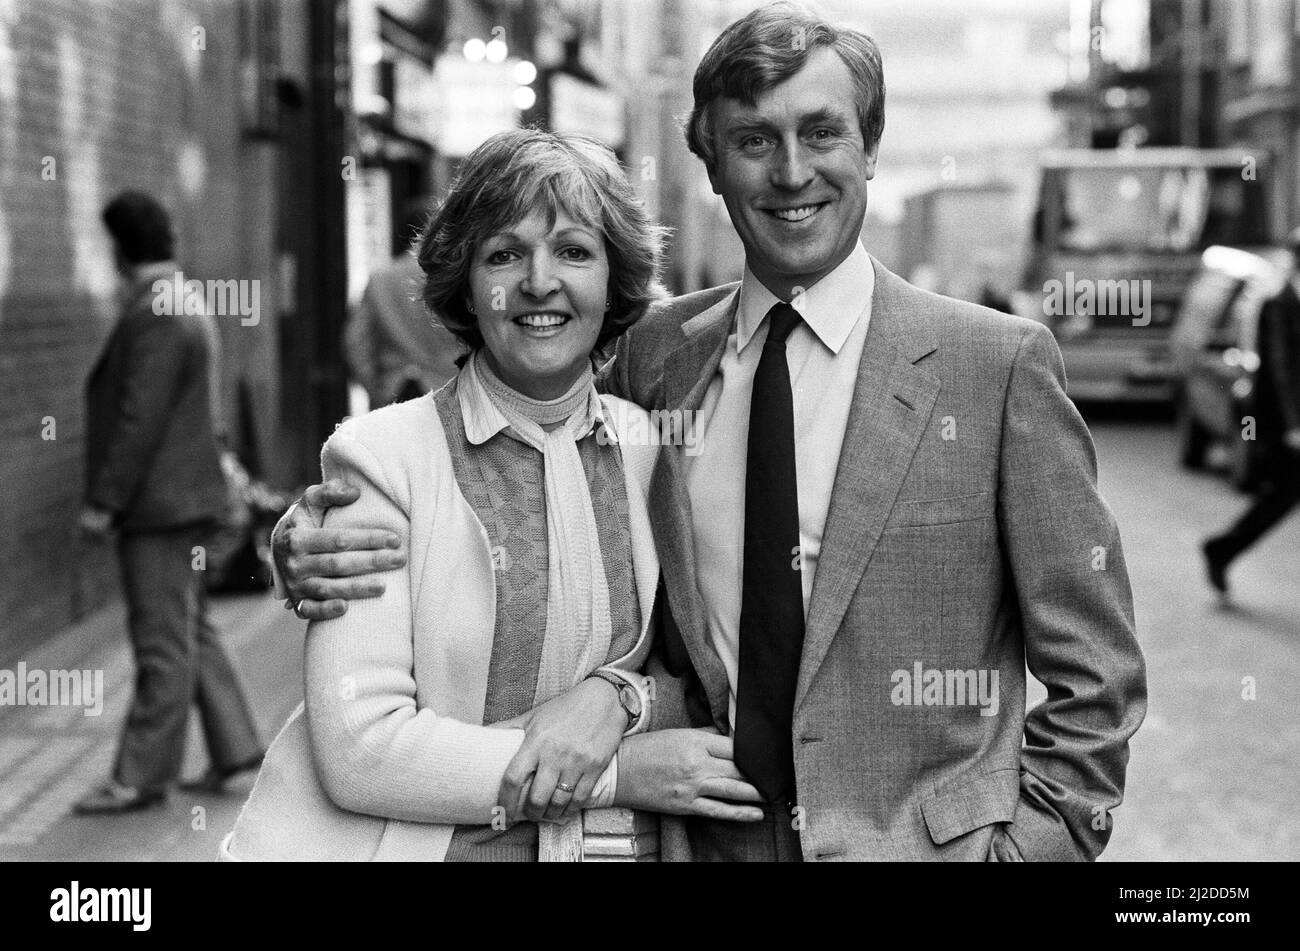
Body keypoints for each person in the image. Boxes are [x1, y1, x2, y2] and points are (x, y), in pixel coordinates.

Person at [273, 2, 1147, 861]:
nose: (792, 171)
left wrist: (1033, 846)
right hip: (700, 839)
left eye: (822, 133)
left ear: (870, 147)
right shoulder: (656, 362)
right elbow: (518, 446)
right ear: (712, 164)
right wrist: (307, 535)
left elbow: (1096, 671)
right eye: (755, 140)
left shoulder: (995, 367)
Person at [222, 129, 764, 861]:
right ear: (469, 287)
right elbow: (361, 748)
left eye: (574, 251)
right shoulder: (383, 459)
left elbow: (696, 671)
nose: (539, 282)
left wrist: (620, 695)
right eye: (505, 254)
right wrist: (614, 773)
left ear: (613, 281)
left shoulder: (647, 443)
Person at [76, 191, 263, 814]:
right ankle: (235, 745)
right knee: (189, 628)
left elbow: (139, 420)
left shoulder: (155, 310)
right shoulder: (180, 298)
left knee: (161, 642)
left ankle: (139, 778)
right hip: (185, 500)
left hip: (161, 508)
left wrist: (104, 500)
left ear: (120, 247)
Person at [1202, 226, 1300, 595]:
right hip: (1283, 420)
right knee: (1282, 495)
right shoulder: (1278, 302)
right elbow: (1279, 368)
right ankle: (1222, 548)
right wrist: (1292, 426)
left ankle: (1223, 548)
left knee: (1281, 495)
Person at [344, 198, 463, 407]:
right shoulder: (456, 277)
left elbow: (355, 343)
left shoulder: (380, 279)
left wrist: (376, 390)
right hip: (450, 390)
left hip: (393, 390)